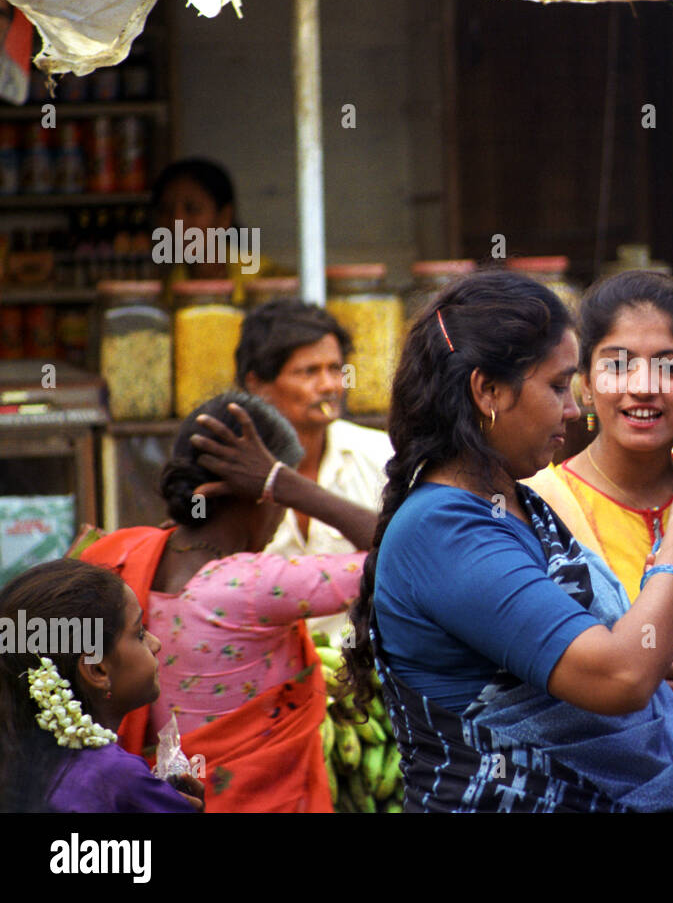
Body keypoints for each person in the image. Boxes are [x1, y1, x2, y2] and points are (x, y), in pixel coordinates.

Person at [341, 270, 673, 812]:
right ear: (487, 390)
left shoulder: (514, 500)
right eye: (557, 386)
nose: (572, 409)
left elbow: (604, 655)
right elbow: (621, 677)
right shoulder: (443, 530)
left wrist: (631, 643)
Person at [80, 392, 375, 812]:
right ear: (259, 493)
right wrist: (285, 483)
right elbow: (409, 548)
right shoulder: (256, 585)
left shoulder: (129, 554)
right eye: (280, 499)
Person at [524, 270, 673, 663]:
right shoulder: (537, 504)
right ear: (586, 386)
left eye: (670, 367)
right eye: (617, 365)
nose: (644, 385)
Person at [0, 559, 201, 812]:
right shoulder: (118, 778)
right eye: (139, 633)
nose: (156, 644)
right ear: (98, 669)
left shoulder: (15, 762)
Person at [236, 299, 388, 559]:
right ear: (258, 384)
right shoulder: (230, 468)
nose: (329, 386)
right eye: (309, 372)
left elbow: (407, 554)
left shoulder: (382, 455)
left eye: (335, 369)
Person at [152, 157, 276, 304]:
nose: (176, 222)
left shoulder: (265, 279)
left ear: (224, 217)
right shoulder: (167, 289)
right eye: (165, 211)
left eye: (192, 209)